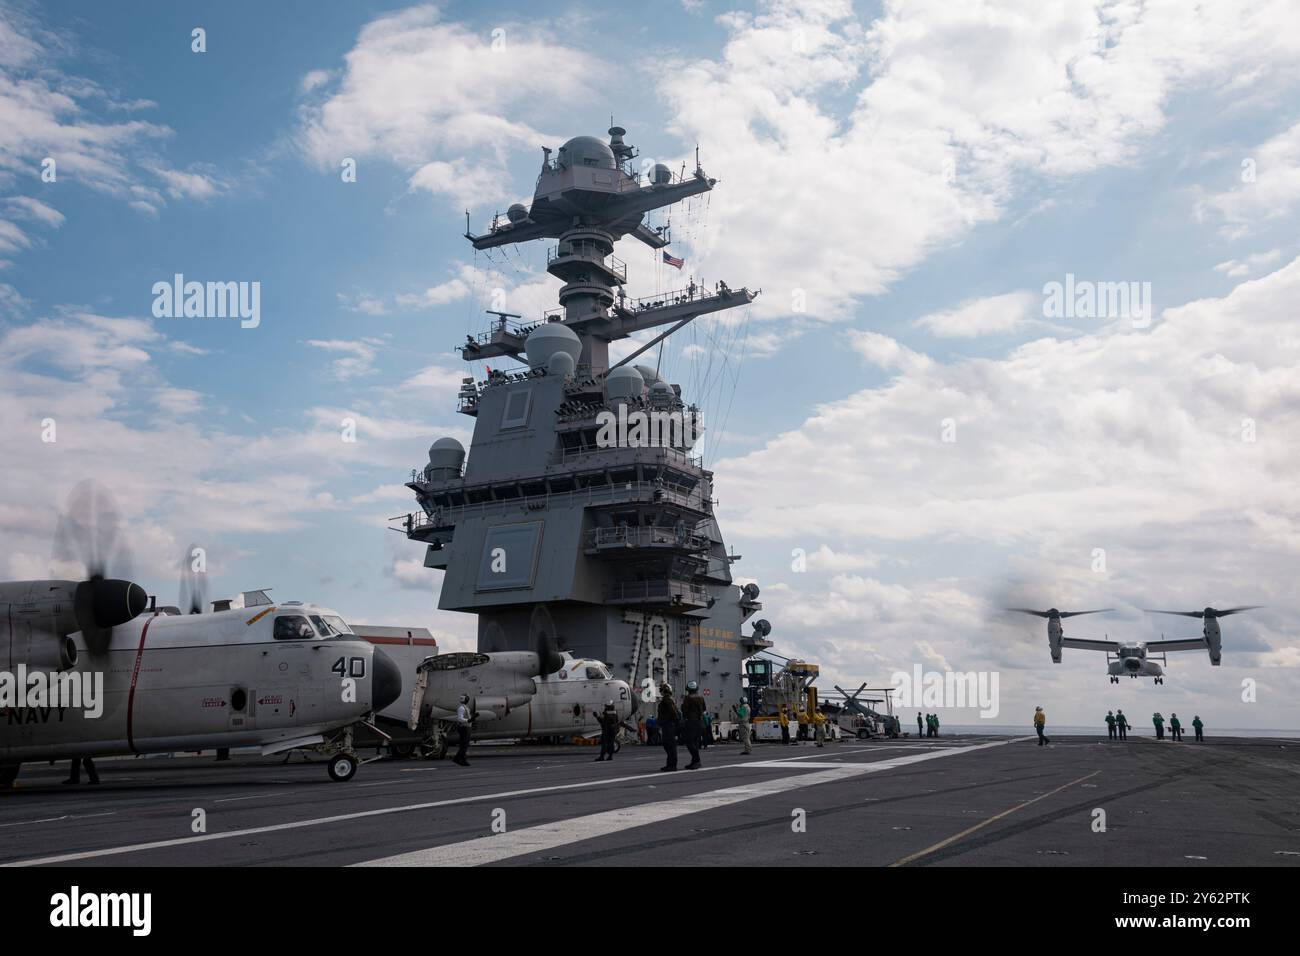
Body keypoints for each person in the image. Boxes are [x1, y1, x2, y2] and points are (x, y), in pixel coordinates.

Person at [682, 680, 707, 770]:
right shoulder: (701, 697)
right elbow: (704, 708)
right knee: (695, 742)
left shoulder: (688, 698)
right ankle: (694, 762)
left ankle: (697, 760)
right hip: (700, 722)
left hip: (691, 722)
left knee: (689, 742)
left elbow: (684, 710)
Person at [657, 683, 680, 772]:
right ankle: (670, 764)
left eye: (661, 690)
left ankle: (672, 765)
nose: (661, 692)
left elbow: (673, 712)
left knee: (670, 746)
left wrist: (673, 722)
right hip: (667, 725)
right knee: (668, 745)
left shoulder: (667, 700)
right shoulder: (668, 700)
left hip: (669, 726)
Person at [452, 694, 472, 766]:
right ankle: (462, 760)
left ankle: (457, 758)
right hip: (464, 728)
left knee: (465, 744)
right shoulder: (461, 708)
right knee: (464, 745)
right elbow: (460, 719)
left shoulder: (465, 707)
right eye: (467, 699)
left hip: (466, 727)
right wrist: (468, 720)